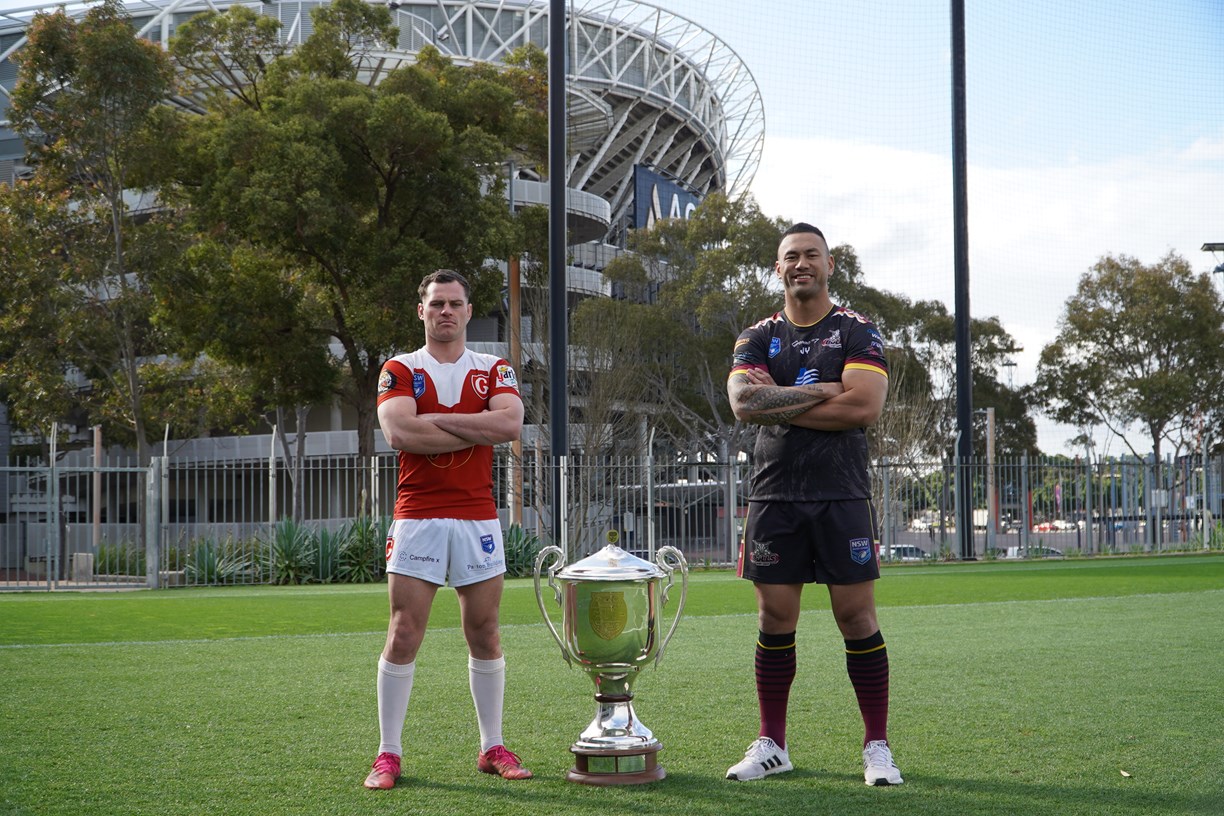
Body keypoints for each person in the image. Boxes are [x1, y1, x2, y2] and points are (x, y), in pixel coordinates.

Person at [724, 223, 902, 786]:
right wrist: (827, 389)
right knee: (774, 619)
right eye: (791, 256)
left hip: (841, 493)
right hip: (774, 494)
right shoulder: (757, 336)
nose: (801, 264)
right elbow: (743, 403)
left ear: (830, 265)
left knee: (857, 618)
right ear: (778, 269)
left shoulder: (856, 330)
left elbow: (863, 407)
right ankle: (772, 744)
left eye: (812, 255)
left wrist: (778, 401)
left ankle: (877, 747)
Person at [363, 269, 532, 789]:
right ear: (422, 311)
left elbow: (509, 425)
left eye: (455, 304)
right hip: (418, 514)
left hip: (478, 515)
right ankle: (388, 753)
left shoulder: (494, 369)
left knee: (485, 631)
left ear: (468, 311)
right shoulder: (400, 368)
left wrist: (432, 421)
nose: (446, 312)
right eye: (437, 304)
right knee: (403, 632)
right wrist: (475, 427)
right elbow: (399, 432)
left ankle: (492, 746)